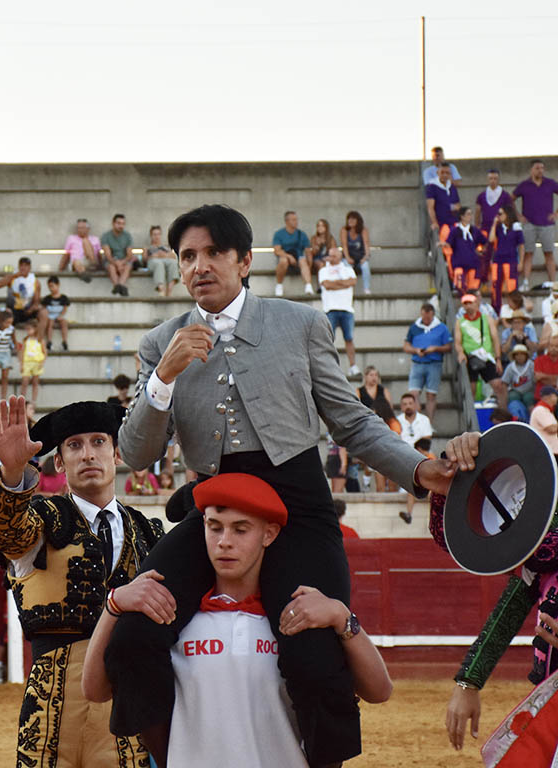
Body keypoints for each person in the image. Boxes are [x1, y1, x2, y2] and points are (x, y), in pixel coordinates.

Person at [110, 203, 459, 767]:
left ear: (245, 261)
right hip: (214, 513)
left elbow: (349, 420)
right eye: (187, 256)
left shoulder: (300, 323)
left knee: (315, 651)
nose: (200, 266)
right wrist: (163, 377)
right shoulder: (160, 344)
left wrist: (418, 471)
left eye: (214, 253)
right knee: (133, 640)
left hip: (297, 507)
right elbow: (135, 452)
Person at [84, 474, 391, 767]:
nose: (224, 542)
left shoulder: (293, 622)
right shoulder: (174, 620)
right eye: (215, 527)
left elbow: (380, 691)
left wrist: (341, 616)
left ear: (268, 534)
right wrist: (113, 606)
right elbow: (94, 691)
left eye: (241, 530)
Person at [0, 397, 164, 767]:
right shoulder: (41, 519)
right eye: (75, 446)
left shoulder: (148, 532)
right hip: (49, 712)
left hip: (125, 709)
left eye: (98, 442)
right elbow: (4, 530)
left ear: (118, 454)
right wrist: (13, 474)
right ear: (59, 462)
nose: (88, 455)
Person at [513, 159, 558, 290]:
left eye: (542, 168)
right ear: (531, 169)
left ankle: (553, 283)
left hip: (547, 224)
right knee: (528, 253)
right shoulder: (524, 185)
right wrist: (518, 215)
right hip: (529, 224)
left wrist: (555, 214)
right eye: (537, 168)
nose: (540, 170)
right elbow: (511, 199)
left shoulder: (550, 183)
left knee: (549, 253)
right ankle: (526, 282)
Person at [403, 302, 453, 422]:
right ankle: (417, 422)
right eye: (423, 317)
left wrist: (435, 348)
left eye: (428, 318)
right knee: (413, 394)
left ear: (432, 315)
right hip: (417, 363)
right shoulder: (414, 327)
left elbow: (448, 347)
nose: (425, 320)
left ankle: (429, 423)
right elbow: (406, 346)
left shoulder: (442, 328)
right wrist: (416, 350)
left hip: (434, 364)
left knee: (431, 395)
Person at [454, 292, 505, 402]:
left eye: (470, 303)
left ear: (476, 303)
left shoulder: (487, 319)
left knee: (498, 385)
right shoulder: (460, 322)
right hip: (470, 357)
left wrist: (498, 359)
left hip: (486, 356)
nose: (468, 306)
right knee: (471, 389)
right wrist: (460, 352)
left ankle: (503, 414)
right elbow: (458, 341)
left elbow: (495, 339)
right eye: (465, 304)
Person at [318, 246, 359, 376]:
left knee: (349, 339)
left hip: (347, 309)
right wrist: (343, 283)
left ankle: (353, 366)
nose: (332, 258)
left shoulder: (347, 269)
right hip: (330, 309)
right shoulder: (324, 270)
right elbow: (326, 285)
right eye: (330, 255)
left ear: (340, 256)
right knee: (329, 340)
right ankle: (329, 366)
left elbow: (352, 281)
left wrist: (335, 283)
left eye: (334, 255)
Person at [0, 256, 48, 334]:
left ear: (29, 268)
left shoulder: (36, 282)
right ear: (19, 267)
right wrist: (14, 276)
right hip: (13, 310)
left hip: (27, 310)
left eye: (26, 265)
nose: (23, 268)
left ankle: (38, 342)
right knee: (3, 314)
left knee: (44, 313)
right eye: (21, 265)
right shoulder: (12, 278)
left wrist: (32, 309)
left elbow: (36, 301)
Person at [489, 204, 525, 311]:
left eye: (501, 214)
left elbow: (521, 245)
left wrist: (521, 262)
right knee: (496, 286)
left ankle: (514, 308)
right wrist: (494, 224)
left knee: (512, 286)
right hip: (498, 260)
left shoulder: (516, 227)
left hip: (511, 260)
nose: (499, 216)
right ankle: (497, 309)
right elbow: (491, 240)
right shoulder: (498, 227)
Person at [426, 165, 461, 274]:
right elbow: (430, 207)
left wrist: (452, 207)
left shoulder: (452, 187)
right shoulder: (432, 186)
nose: (445, 175)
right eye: (443, 172)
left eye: (447, 173)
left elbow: (458, 205)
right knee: (445, 248)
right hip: (442, 224)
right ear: (438, 173)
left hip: (453, 222)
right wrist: (435, 222)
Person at [446, 206, 489, 294]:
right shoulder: (455, 231)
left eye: (471, 214)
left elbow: (485, 241)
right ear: (462, 216)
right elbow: (449, 243)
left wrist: (481, 251)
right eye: (468, 214)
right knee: (460, 286)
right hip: (459, 263)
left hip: (473, 263)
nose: (470, 216)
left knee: (473, 288)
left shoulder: (474, 230)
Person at [272, 210, 312, 296]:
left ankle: (308, 286)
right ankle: (279, 285)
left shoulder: (302, 234)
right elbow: (277, 251)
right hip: (285, 259)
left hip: (299, 259)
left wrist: (310, 263)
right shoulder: (279, 234)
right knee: (283, 260)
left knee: (303, 260)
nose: (296, 222)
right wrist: (289, 257)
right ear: (287, 221)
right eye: (293, 220)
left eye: (296, 219)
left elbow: (308, 251)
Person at [339, 210, 372, 296]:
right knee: (347, 267)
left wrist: (364, 258)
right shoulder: (344, 230)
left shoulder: (363, 230)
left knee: (365, 267)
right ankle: (349, 290)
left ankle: (366, 289)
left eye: (353, 219)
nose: (350, 221)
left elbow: (366, 244)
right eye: (349, 219)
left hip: (360, 257)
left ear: (358, 221)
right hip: (348, 257)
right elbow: (344, 245)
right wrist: (348, 258)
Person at [101, 213, 135, 296]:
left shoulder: (127, 236)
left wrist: (121, 263)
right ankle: (121, 287)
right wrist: (116, 263)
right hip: (110, 261)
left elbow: (129, 254)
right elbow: (108, 255)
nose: (121, 226)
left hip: (124, 261)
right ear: (113, 223)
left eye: (123, 224)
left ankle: (118, 286)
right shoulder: (106, 236)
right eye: (119, 223)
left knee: (128, 266)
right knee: (111, 267)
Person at [502, 344, 536, 421]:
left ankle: (533, 419)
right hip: (515, 390)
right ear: (514, 356)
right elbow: (504, 382)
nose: (519, 357)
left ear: (526, 355)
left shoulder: (531, 365)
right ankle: (516, 419)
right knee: (512, 398)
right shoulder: (510, 367)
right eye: (517, 354)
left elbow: (535, 379)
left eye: (522, 354)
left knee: (529, 399)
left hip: (529, 390)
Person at [144, 224, 180, 296]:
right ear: (151, 235)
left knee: (173, 263)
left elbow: (174, 256)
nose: (157, 236)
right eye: (154, 234)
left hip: (166, 261)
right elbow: (144, 259)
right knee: (158, 264)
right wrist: (154, 256)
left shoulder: (166, 247)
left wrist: (165, 255)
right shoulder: (147, 247)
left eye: (158, 234)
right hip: (154, 262)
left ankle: (169, 290)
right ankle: (161, 289)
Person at [19, 318, 46, 404]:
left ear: (35, 329)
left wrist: (42, 362)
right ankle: (22, 399)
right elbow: (22, 352)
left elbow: (44, 352)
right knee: (25, 382)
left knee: (35, 382)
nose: (28, 331)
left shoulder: (40, 340)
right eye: (26, 329)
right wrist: (21, 364)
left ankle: (33, 400)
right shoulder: (26, 340)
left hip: (37, 363)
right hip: (27, 363)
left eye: (29, 329)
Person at [42, 275, 71, 350]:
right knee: (50, 322)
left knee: (64, 322)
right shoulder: (47, 298)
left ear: (58, 285)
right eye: (49, 287)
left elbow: (65, 308)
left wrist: (61, 315)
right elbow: (44, 309)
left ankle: (64, 341)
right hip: (50, 316)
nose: (50, 289)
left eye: (52, 286)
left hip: (59, 315)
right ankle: (49, 341)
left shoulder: (63, 298)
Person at [530, 387, 558, 456]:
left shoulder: (546, 410)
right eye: (555, 396)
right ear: (549, 397)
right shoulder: (540, 410)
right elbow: (551, 428)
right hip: (548, 451)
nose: (556, 398)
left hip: (551, 450)